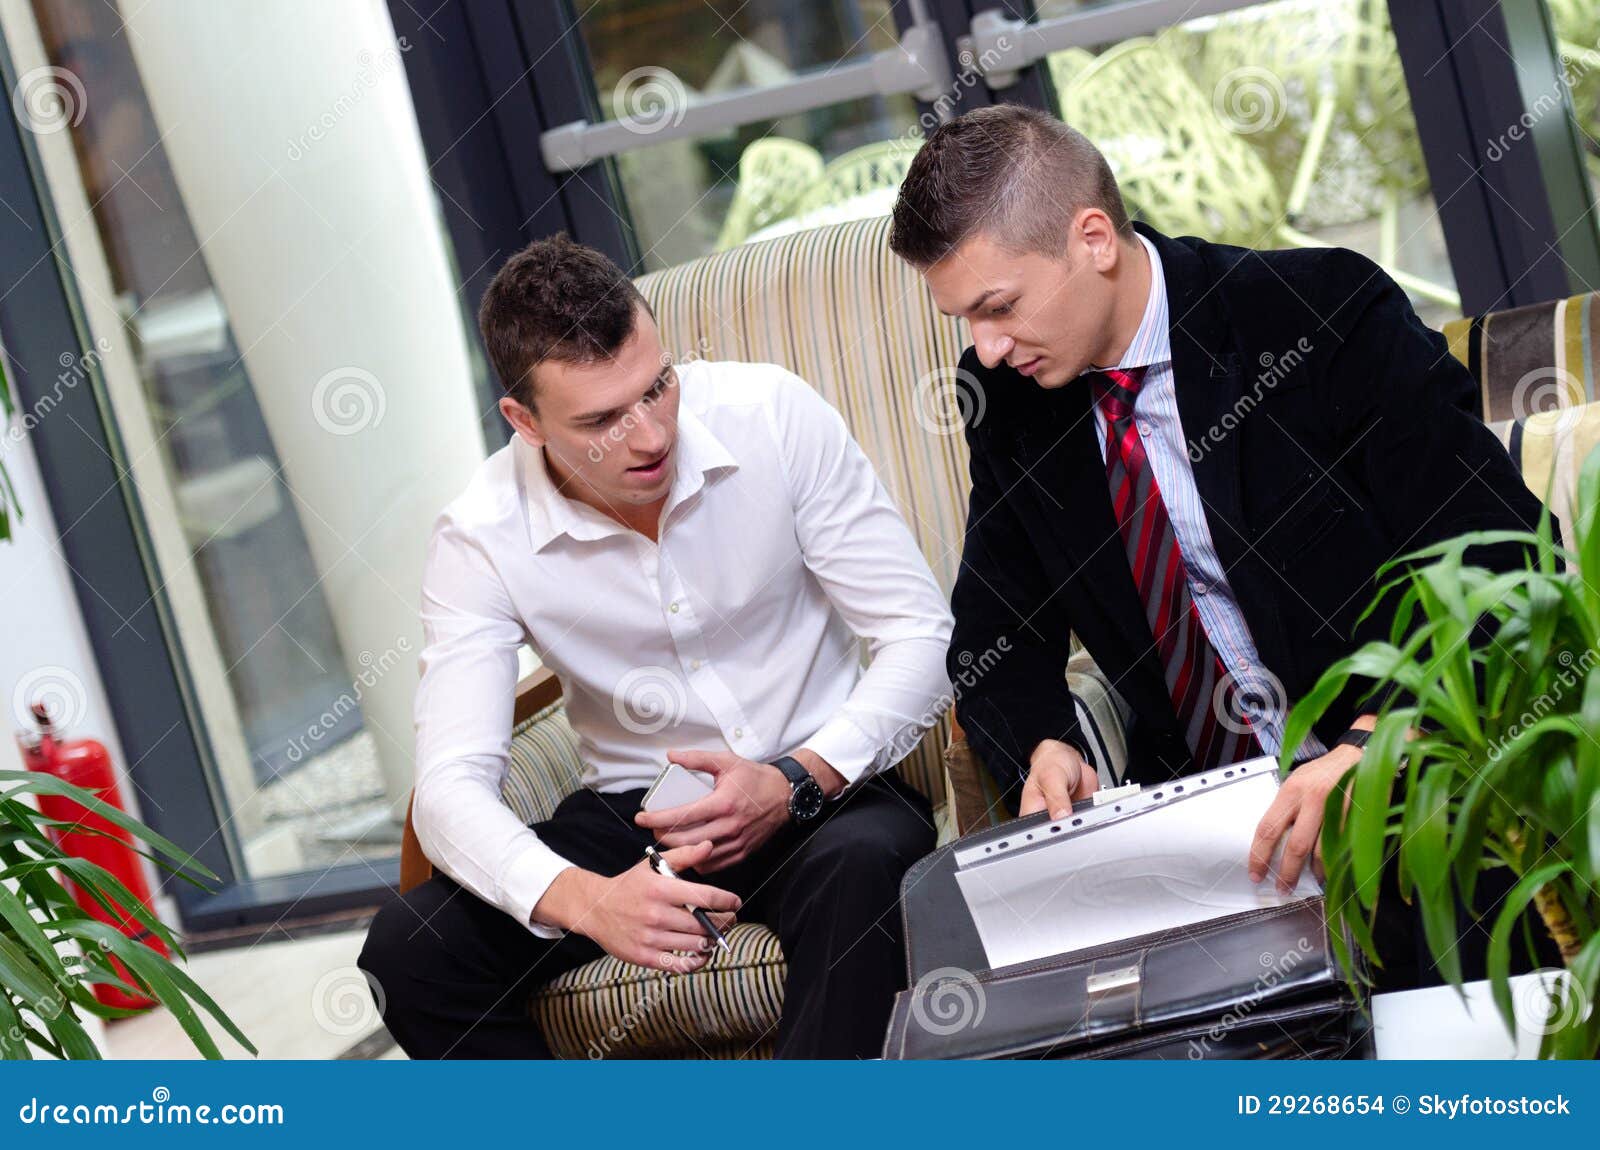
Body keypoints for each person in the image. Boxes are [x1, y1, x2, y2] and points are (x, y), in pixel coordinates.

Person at [888, 106, 1549, 984]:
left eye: (998, 307)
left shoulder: (1316, 314)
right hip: (1212, 845)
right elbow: (992, 628)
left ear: (1093, 239)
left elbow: (1500, 552)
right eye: (965, 320)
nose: (987, 347)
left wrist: (1372, 743)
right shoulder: (1009, 397)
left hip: (1412, 783)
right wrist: (1046, 744)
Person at [358, 234, 953, 1058]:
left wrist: (794, 782)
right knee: (408, 950)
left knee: (863, 871)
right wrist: (586, 899)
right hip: (636, 816)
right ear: (524, 421)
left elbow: (918, 636)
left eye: (657, 387)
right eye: (602, 420)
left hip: (825, 790)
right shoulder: (480, 535)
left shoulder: (771, 416)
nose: (648, 437)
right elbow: (448, 790)